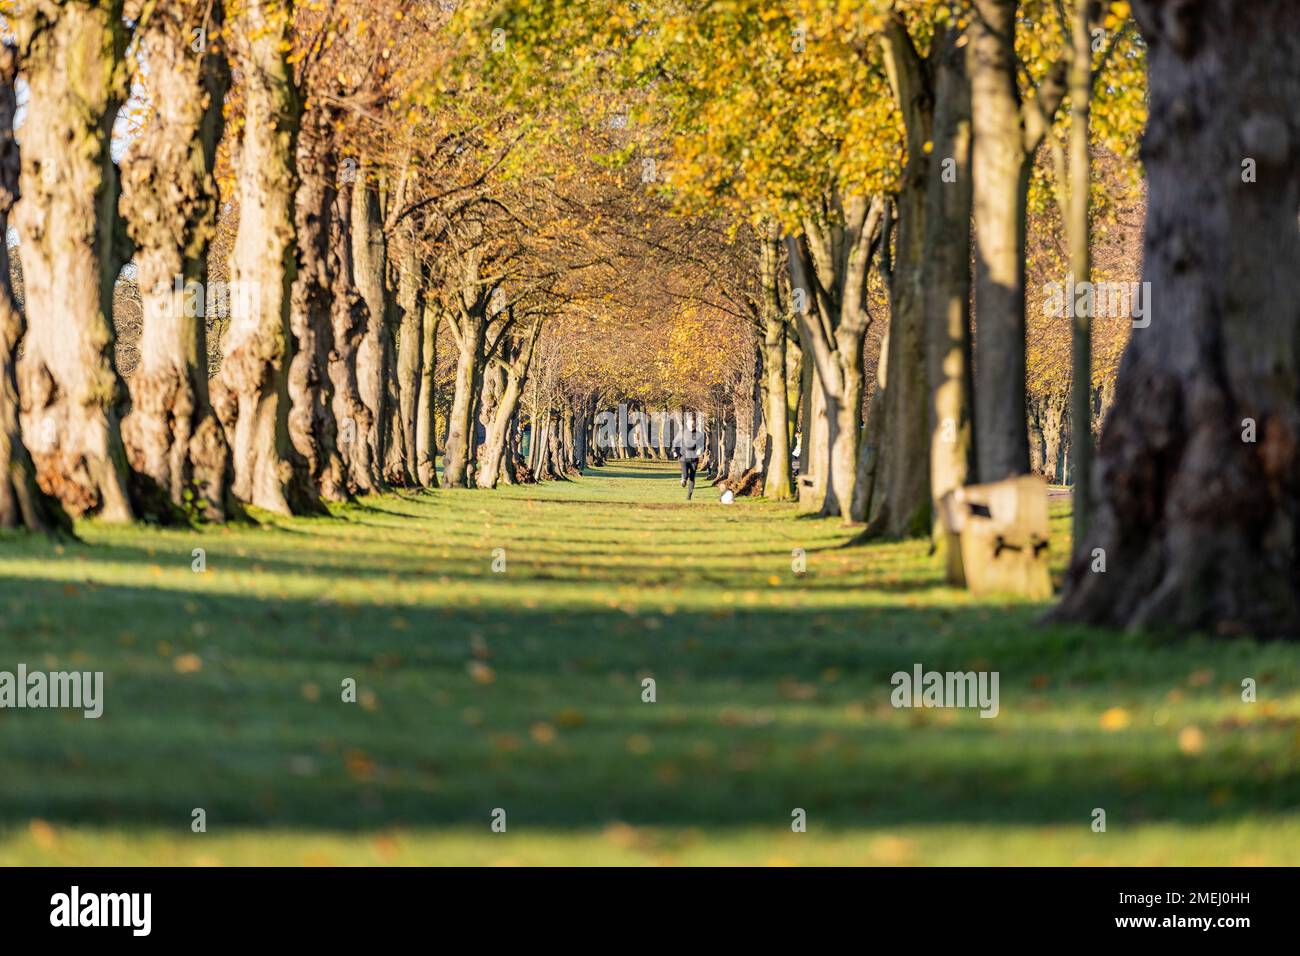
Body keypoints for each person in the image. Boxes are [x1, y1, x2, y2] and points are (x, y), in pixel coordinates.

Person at [680, 412, 702, 500]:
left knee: (692, 477)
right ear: (687, 424)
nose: (692, 426)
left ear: (695, 424)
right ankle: (683, 479)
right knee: (686, 475)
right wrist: (675, 451)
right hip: (684, 458)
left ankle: (689, 495)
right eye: (690, 424)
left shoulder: (699, 434)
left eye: (693, 424)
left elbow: (701, 445)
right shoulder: (683, 433)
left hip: (694, 459)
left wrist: (700, 449)